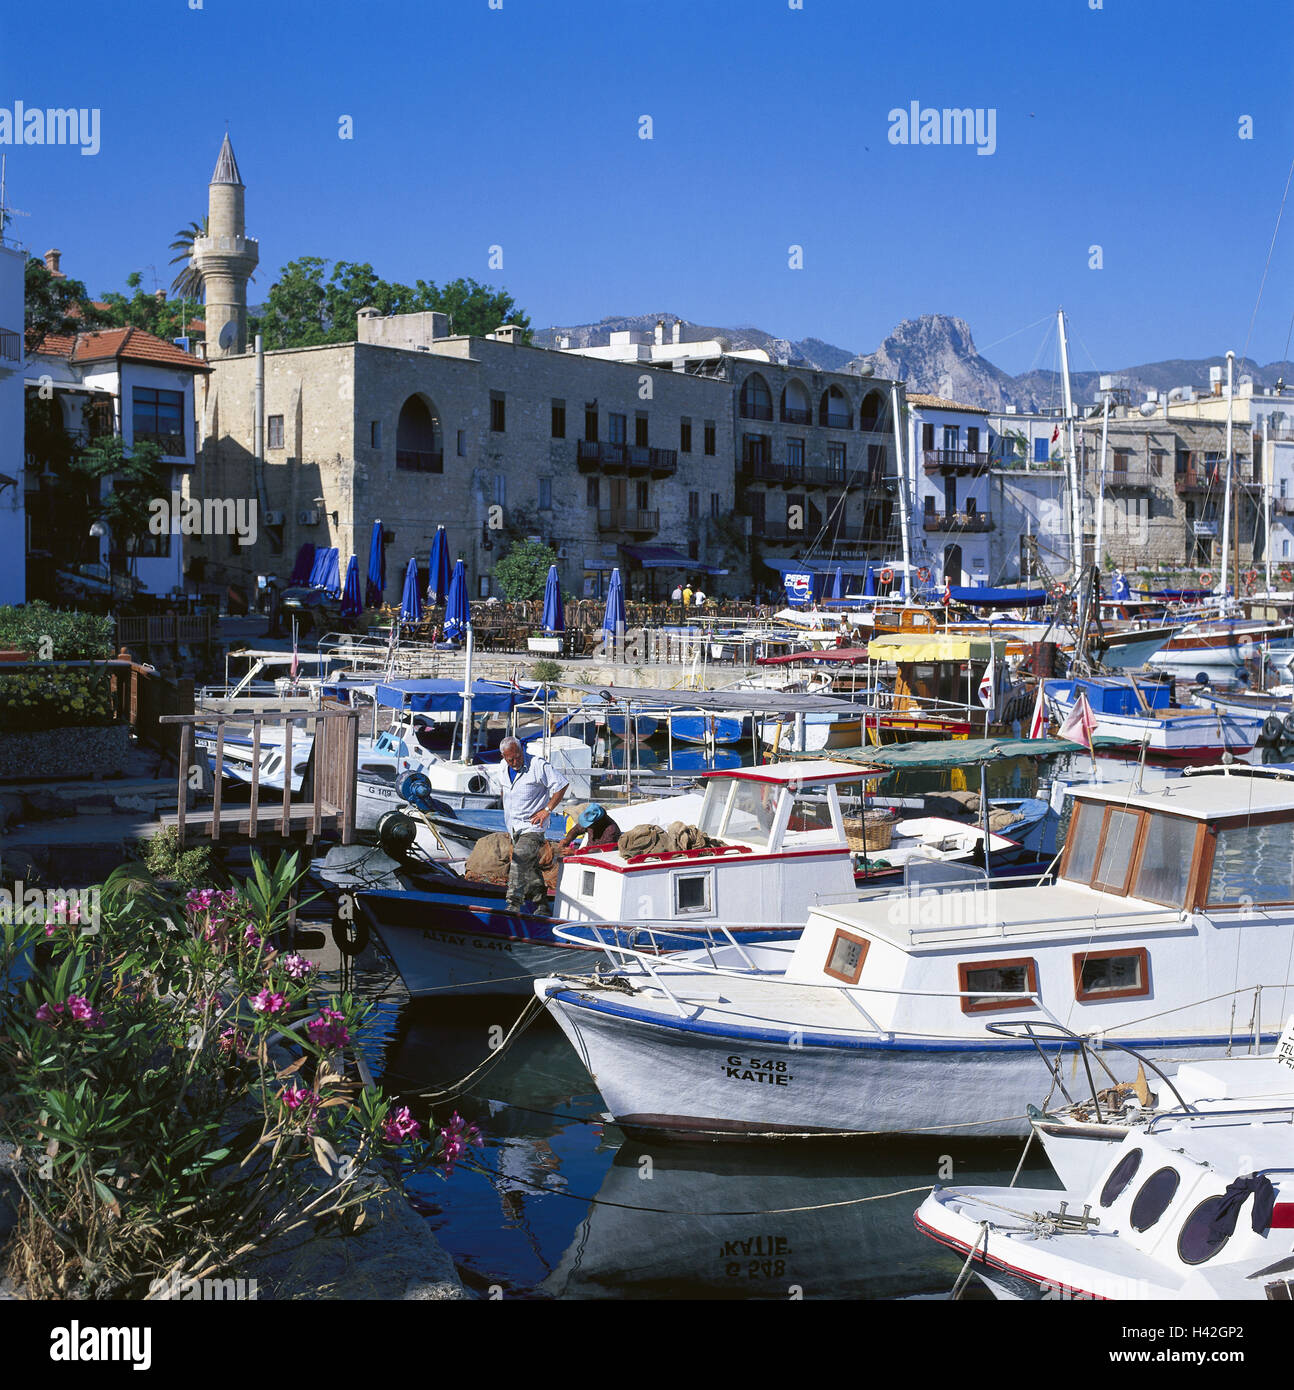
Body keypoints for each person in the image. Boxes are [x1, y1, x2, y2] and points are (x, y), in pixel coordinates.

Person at [490, 736, 569, 910]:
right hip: (513, 826)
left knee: (519, 859)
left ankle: (513, 905)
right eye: (511, 759)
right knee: (531, 867)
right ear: (504, 757)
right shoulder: (503, 768)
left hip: (532, 827)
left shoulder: (537, 765)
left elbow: (562, 784)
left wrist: (546, 810)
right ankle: (541, 905)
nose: (515, 761)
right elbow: (505, 790)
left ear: (521, 750)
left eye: (518, 756)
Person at [557, 802, 622, 856]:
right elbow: (576, 830)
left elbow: (602, 853)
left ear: (598, 822)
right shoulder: (592, 822)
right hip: (586, 854)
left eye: (590, 825)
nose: (588, 827)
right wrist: (567, 839)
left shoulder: (611, 831)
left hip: (600, 861)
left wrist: (576, 852)